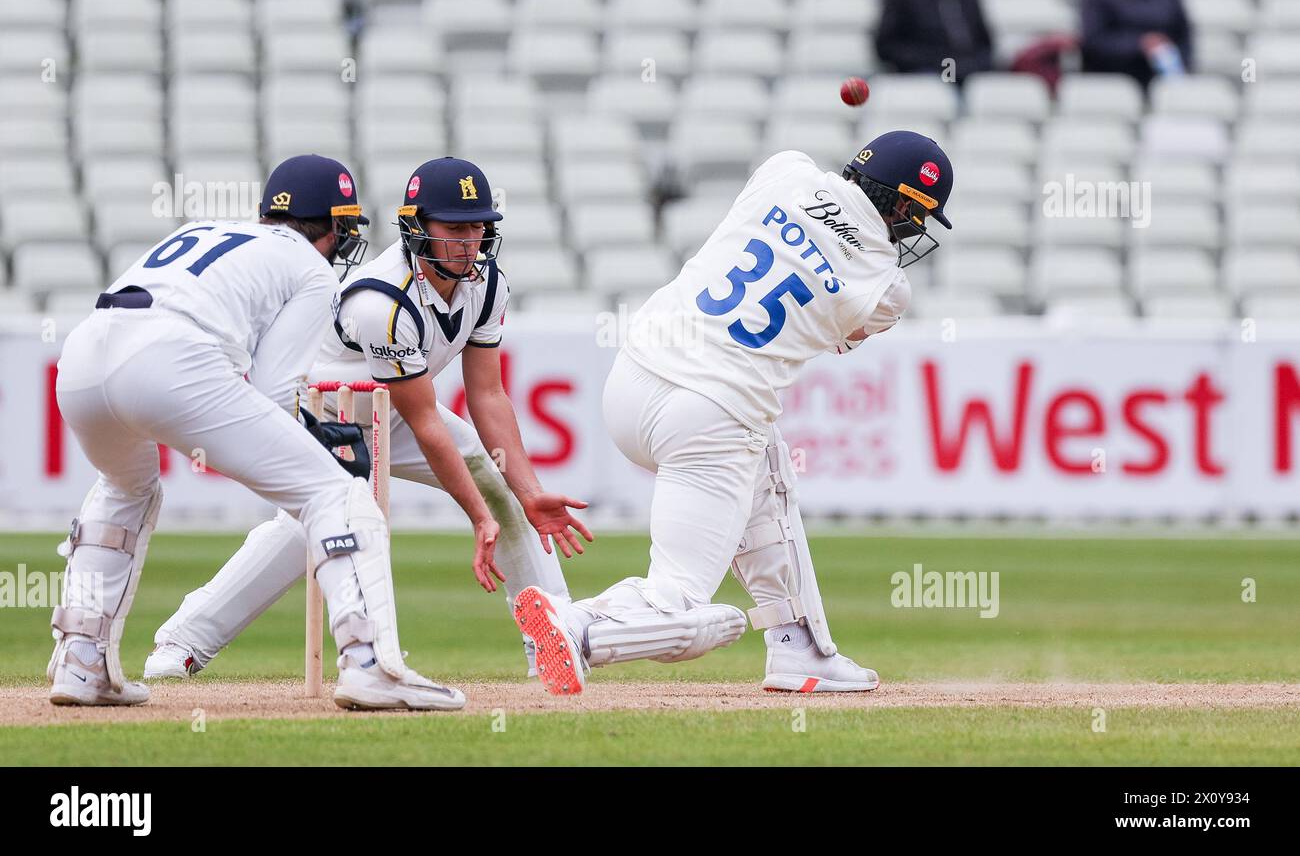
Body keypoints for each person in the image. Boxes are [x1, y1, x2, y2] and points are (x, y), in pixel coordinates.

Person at [513, 132, 954, 696]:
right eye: (915, 218)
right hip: (711, 415)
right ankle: (577, 626)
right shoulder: (886, 288)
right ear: (899, 206)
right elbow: (844, 335)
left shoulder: (787, 169)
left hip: (632, 379)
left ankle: (799, 648)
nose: (913, 232)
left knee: (769, 476)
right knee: (684, 604)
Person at [144, 156, 591, 685]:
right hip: (326, 401)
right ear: (416, 227)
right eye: (454, 227)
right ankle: (183, 642)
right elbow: (425, 421)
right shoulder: (381, 299)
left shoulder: (487, 282)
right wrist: (476, 515)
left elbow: (488, 394)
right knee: (314, 525)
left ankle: (557, 636)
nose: (469, 241)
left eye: (478, 227)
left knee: (506, 488)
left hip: (395, 402)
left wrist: (527, 488)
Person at [49, 154, 464, 711]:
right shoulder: (313, 271)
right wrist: (315, 435)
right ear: (335, 225)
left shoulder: (202, 230)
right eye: (345, 227)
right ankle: (370, 665)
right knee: (337, 492)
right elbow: (273, 391)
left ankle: (80, 664)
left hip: (82, 358)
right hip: (170, 358)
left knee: (124, 489)